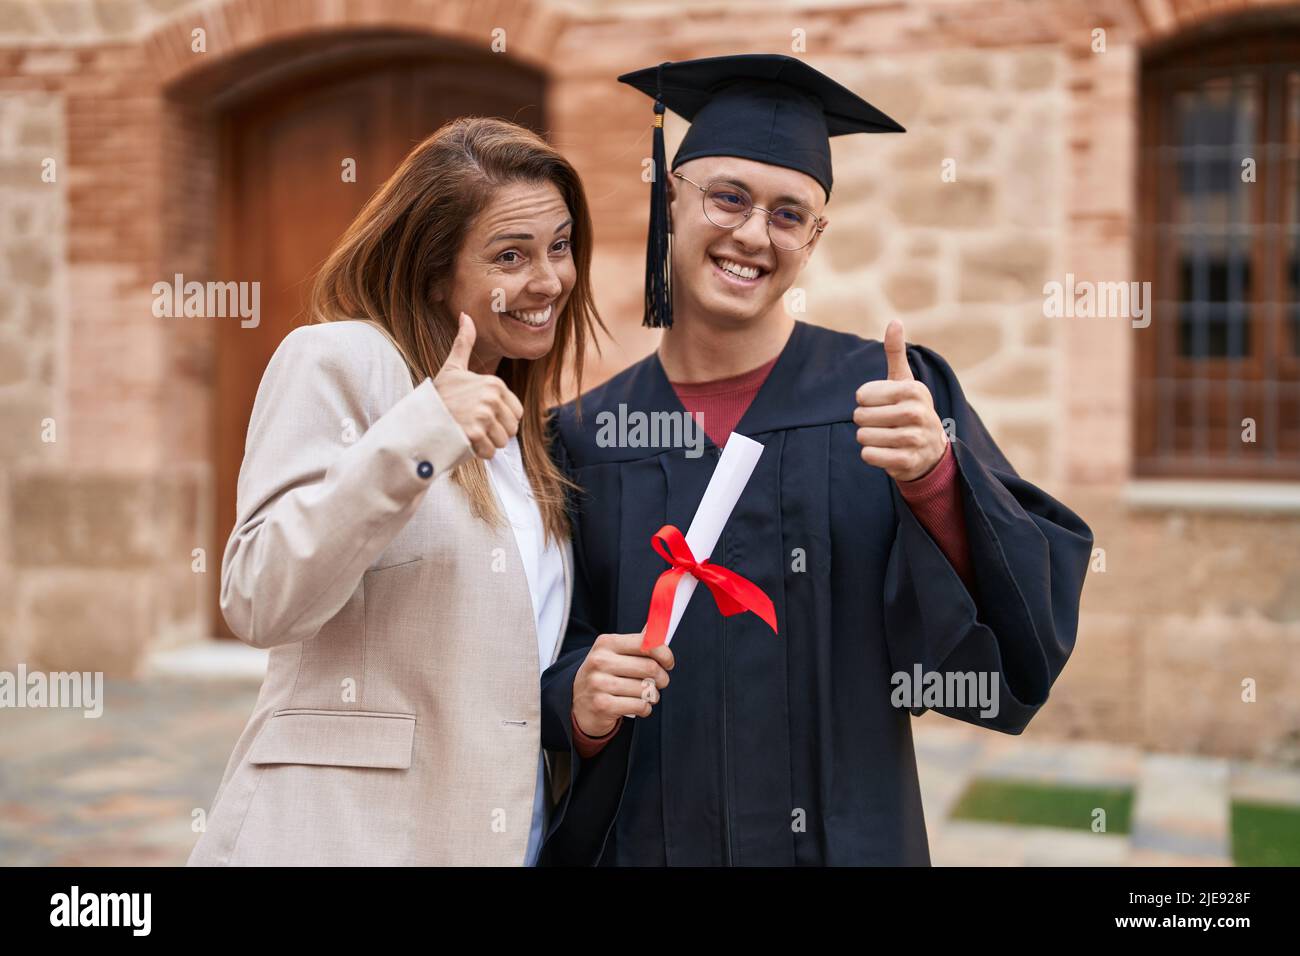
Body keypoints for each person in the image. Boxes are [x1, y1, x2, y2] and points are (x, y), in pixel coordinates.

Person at [538, 54, 1094, 866]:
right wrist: (579, 706)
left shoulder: (888, 396)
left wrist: (935, 481)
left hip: (848, 841)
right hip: (654, 841)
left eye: (789, 213)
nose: (753, 234)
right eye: (728, 197)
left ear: (816, 236)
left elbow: (1022, 644)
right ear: (668, 199)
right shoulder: (586, 436)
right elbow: (543, 654)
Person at [188, 116, 605, 865]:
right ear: (435, 270)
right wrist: (418, 436)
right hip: (342, 835)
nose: (548, 280)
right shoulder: (338, 360)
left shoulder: (533, 436)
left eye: (560, 246)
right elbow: (258, 595)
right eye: (510, 255)